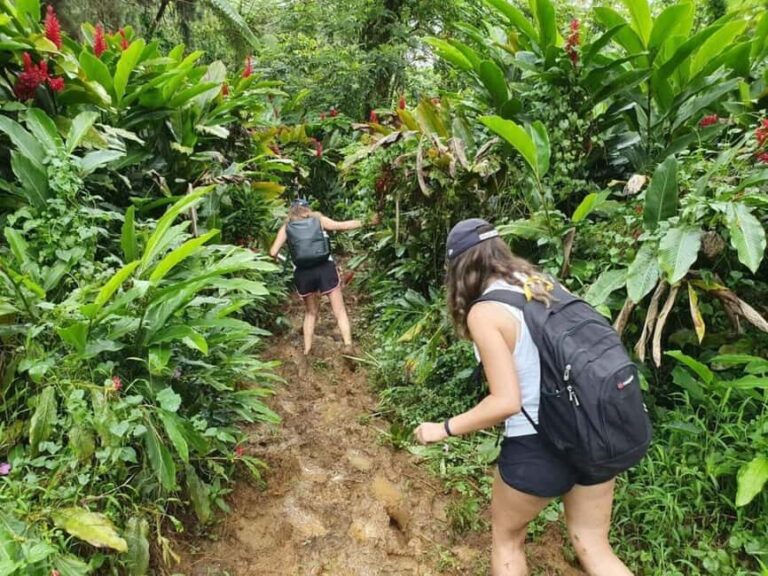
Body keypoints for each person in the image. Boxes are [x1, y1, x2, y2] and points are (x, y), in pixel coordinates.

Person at [414, 218, 634, 576]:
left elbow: (506, 402)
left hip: (540, 443)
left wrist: (444, 428)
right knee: (593, 545)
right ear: (499, 250)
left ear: (459, 269)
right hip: (594, 430)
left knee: (507, 540)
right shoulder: (542, 283)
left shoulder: (484, 312)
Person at [269, 199, 378, 366]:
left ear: (291, 212)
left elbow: (273, 251)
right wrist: (368, 221)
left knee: (310, 312)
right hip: (324, 268)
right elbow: (342, 226)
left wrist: (279, 261)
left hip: (303, 273)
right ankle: (348, 345)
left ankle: (307, 352)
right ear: (307, 209)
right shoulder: (317, 219)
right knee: (339, 311)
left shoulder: (287, 227)